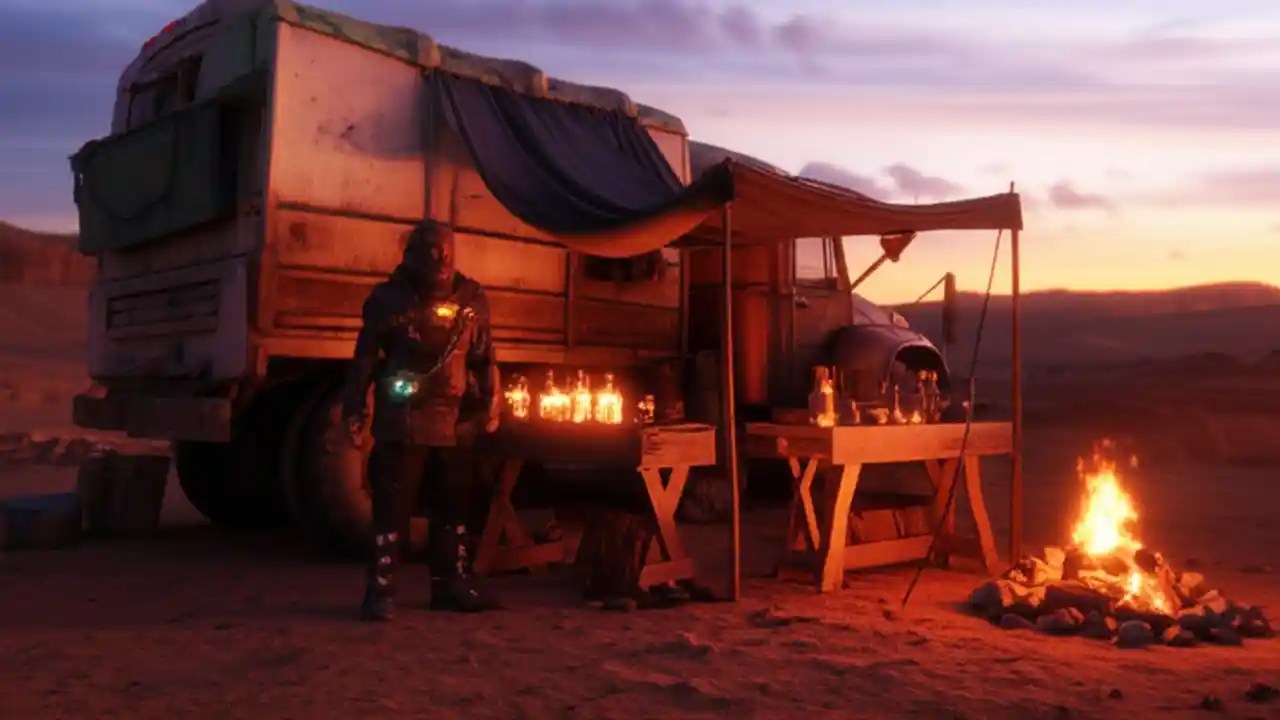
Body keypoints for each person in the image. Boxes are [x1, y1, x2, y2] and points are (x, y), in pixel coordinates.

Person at [341, 220, 502, 621]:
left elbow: (484, 359)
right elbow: (364, 360)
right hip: (403, 418)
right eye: (430, 250)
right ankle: (381, 589)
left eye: (444, 250)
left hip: (454, 422)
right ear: (412, 254)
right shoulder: (389, 301)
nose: (439, 259)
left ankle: (450, 584)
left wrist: (490, 403)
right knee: (392, 506)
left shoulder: (471, 299)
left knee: (453, 507)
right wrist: (355, 406)